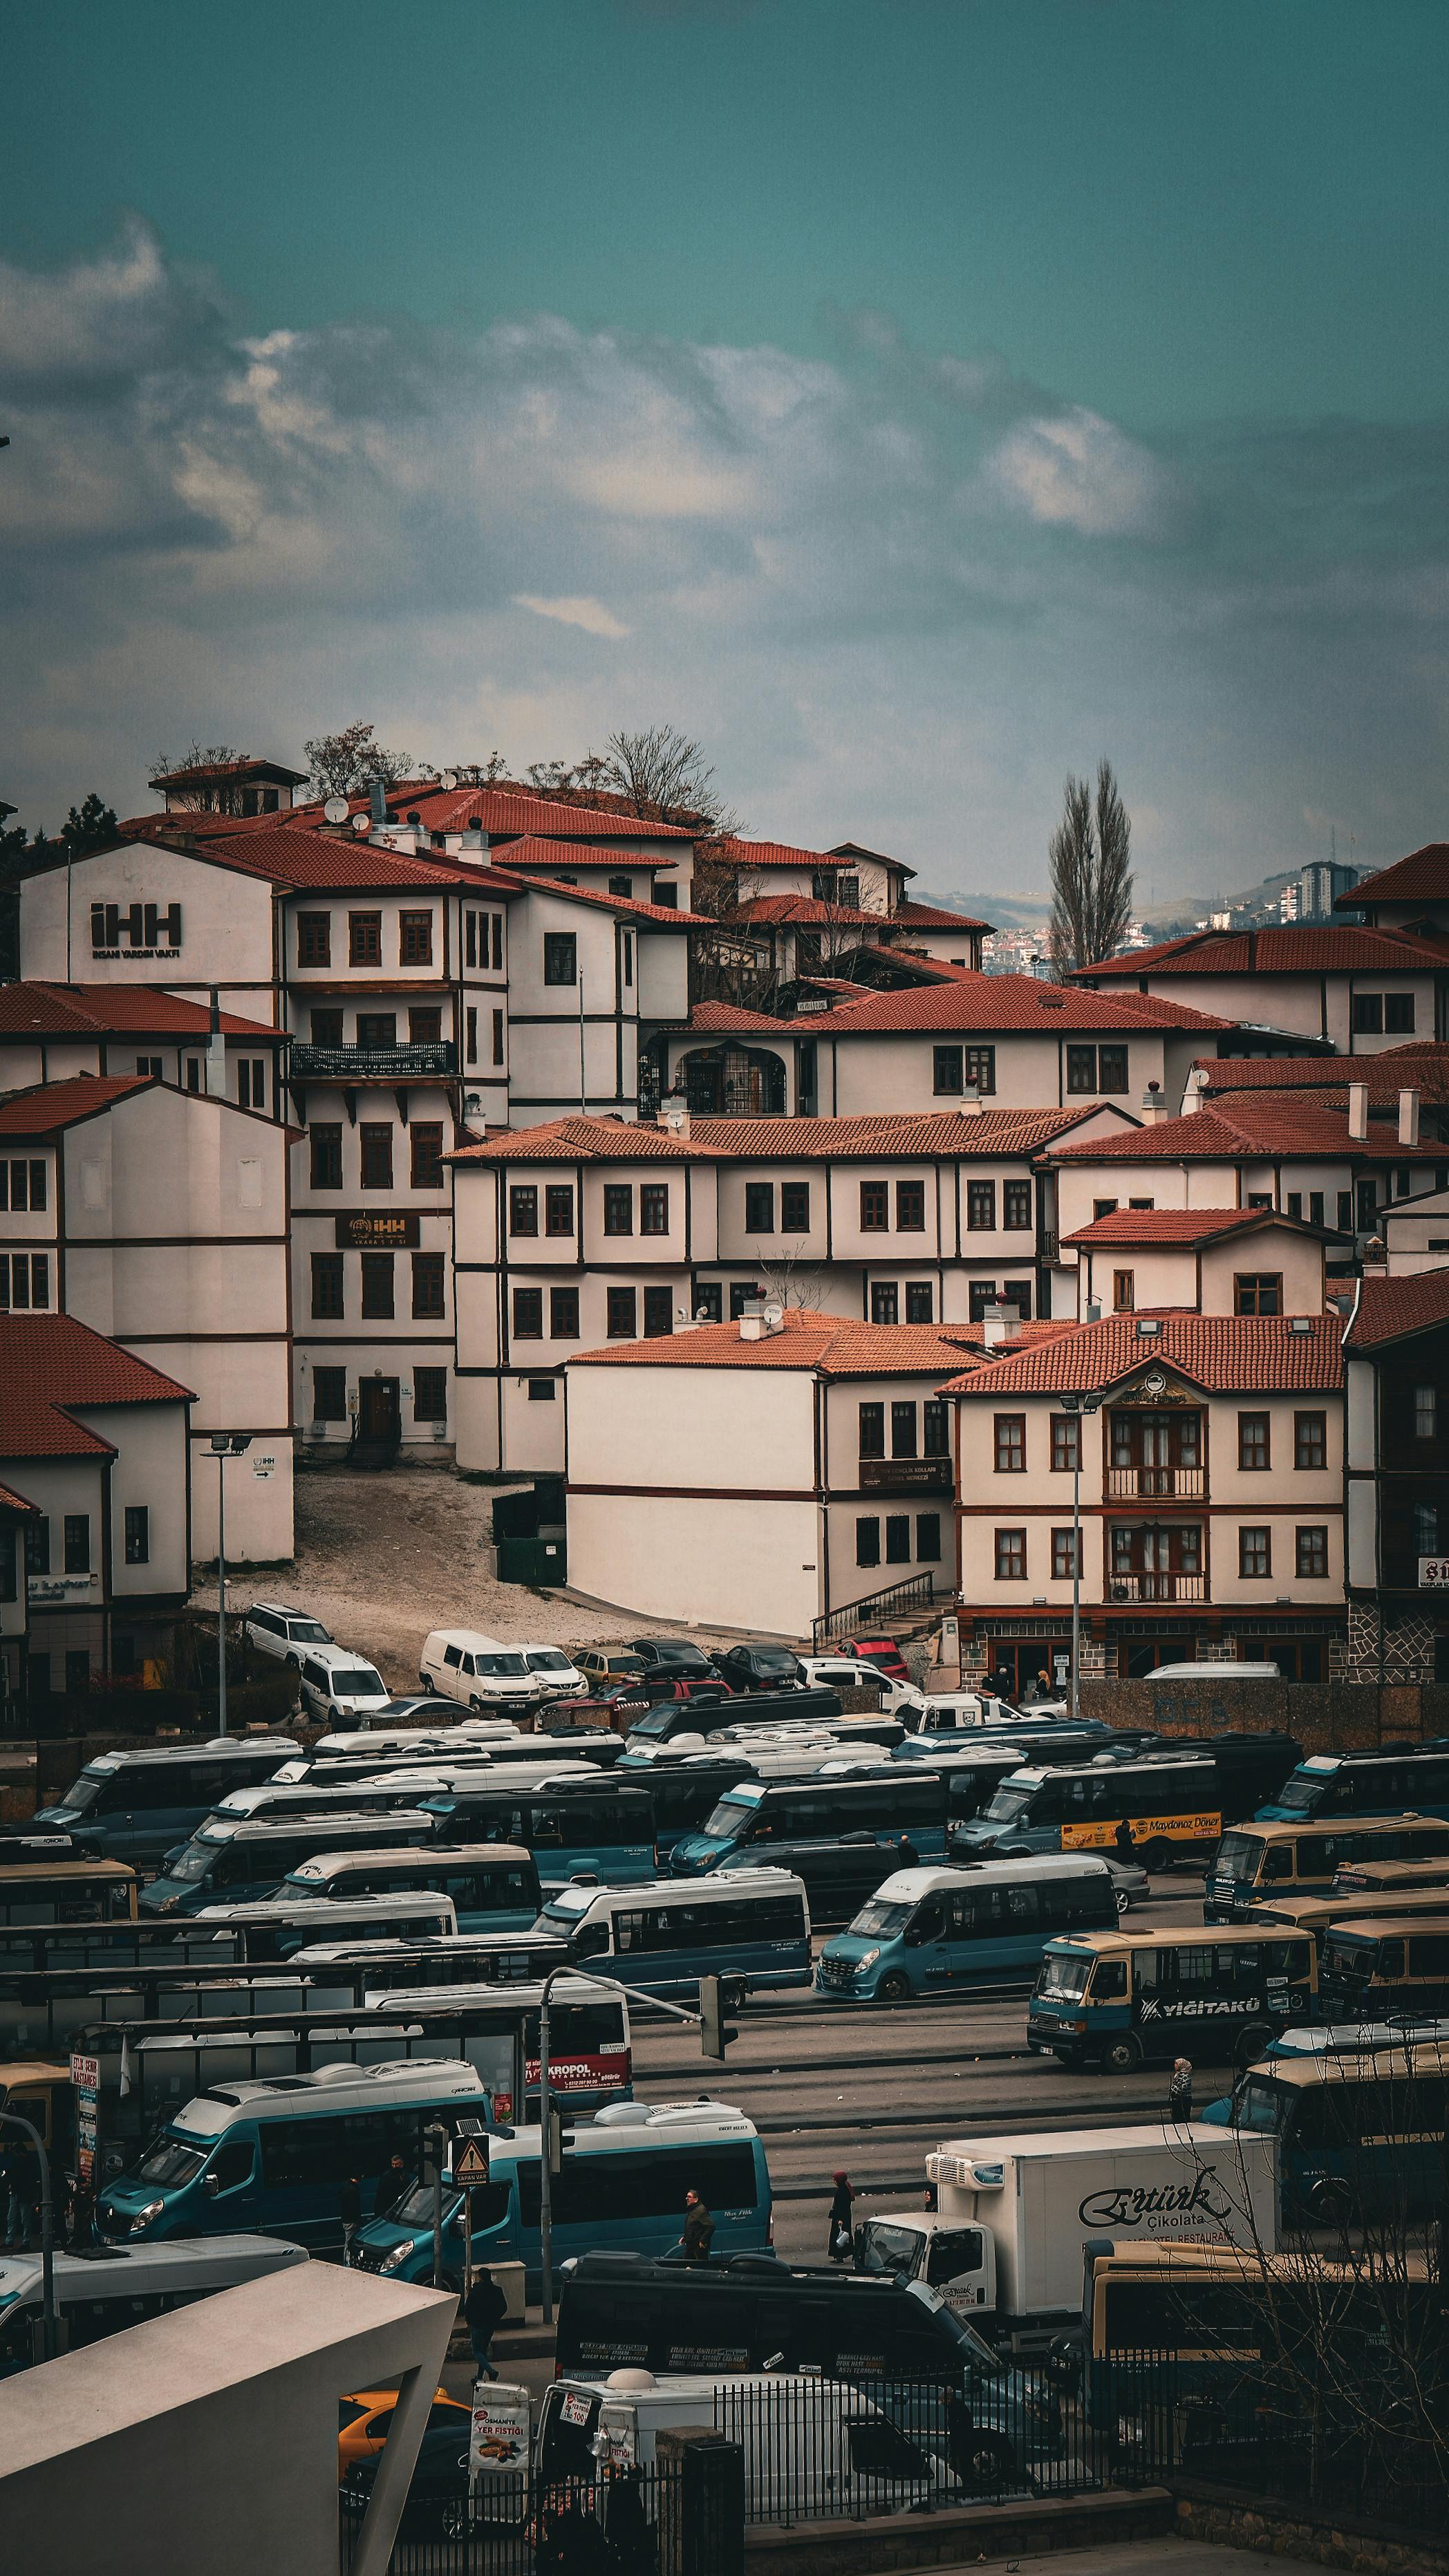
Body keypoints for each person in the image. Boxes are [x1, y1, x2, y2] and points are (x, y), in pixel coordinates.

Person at [464, 2264, 508, 2380]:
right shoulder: (497, 2290)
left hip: (477, 2325)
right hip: (490, 2326)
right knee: (482, 2351)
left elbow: (468, 2308)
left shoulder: (476, 2291)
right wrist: (495, 2319)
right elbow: (504, 2307)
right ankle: (479, 2377)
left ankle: (491, 2371)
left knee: (477, 2352)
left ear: (480, 2278)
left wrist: (469, 2322)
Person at [827, 2171, 857, 2263]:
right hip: (845, 2216)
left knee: (839, 2236)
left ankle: (839, 2256)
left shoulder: (842, 2191)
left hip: (841, 2218)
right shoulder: (845, 2188)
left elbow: (841, 2206)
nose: (833, 2181)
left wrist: (839, 2219)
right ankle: (850, 2252)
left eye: (835, 2180)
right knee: (845, 2235)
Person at [373, 2152, 408, 2222]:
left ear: (401, 2165)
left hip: (400, 2207)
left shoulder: (404, 2175)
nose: (394, 2166)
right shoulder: (387, 2176)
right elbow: (381, 2194)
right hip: (389, 2207)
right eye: (393, 2164)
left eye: (396, 2164)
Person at [681, 2190, 714, 2263]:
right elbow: (692, 2227)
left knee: (701, 2267)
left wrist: (703, 2240)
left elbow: (711, 2226)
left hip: (698, 2247)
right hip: (690, 2245)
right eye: (687, 2197)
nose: (687, 2199)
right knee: (686, 2265)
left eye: (689, 2197)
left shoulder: (701, 2210)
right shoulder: (692, 2210)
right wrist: (685, 2237)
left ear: (696, 2200)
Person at [339, 2172, 362, 2264]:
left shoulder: (345, 2186)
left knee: (348, 2241)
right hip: (352, 2220)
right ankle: (347, 2262)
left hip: (345, 2219)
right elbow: (355, 2207)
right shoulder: (354, 2190)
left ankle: (348, 2261)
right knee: (349, 2243)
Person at [1168, 2057, 1193, 2122]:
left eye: (1176, 2064)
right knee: (1176, 2117)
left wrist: (1173, 2088)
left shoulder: (1185, 2076)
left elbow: (1182, 2089)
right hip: (1176, 2100)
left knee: (1184, 2117)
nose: (1175, 2066)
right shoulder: (1177, 2075)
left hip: (1184, 2099)